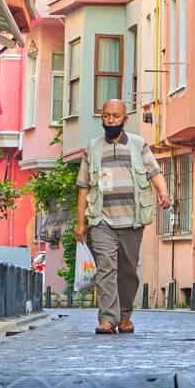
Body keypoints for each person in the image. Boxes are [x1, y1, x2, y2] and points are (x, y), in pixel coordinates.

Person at [74, 99, 172, 335]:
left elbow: (154, 171)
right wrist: (81, 222)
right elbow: (83, 187)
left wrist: (164, 191)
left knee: (128, 271)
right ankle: (107, 319)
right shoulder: (92, 148)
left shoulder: (138, 145)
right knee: (106, 268)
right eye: (106, 116)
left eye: (115, 116)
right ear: (102, 118)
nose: (110, 121)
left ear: (125, 119)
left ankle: (125, 316)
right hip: (101, 220)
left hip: (132, 220)